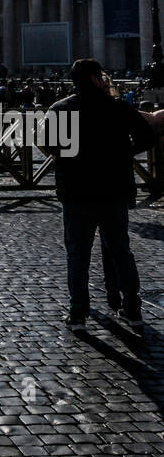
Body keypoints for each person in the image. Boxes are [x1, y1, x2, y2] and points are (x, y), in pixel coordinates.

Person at [49, 59, 154, 332]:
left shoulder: (62, 109)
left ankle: (78, 313)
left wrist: (76, 156)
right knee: (120, 251)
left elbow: (51, 147)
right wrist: (123, 152)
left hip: (76, 191)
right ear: (96, 78)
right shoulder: (117, 107)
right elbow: (147, 137)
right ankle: (132, 309)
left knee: (77, 254)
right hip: (113, 190)